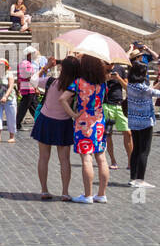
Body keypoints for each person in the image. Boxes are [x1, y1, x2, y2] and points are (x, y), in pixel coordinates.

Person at [63, 53, 110, 203]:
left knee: (86, 159)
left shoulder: (78, 82)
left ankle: (88, 195)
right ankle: (101, 194)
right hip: (99, 121)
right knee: (102, 158)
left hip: (84, 122)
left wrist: (73, 114)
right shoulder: (103, 82)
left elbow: (62, 99)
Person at [33, 55, 78, 201]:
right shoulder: (75, 86)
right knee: (64, 159)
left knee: (44, 157)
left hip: (46, 120)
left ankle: (44, 190)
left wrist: (46, 68)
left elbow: (32, 80)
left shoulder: (51, 81)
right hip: (63, 122)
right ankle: (65, 192)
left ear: (61, 68)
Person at [125, 59, 160, 189]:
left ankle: (133, 177)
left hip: (133, 121)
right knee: (144, 151)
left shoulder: (130, 86)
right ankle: (140, 179)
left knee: (136, 150)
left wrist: (158, 83)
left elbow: (149, 91)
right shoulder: (142, 88)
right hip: (145, 122)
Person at [0, 59, 17, 143]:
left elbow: (10, 87)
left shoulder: (9, 74)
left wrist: (5, 96)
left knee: (11, 117)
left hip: (9, 98)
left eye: (0, 65)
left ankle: (12, 136)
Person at [15, 46, 40, 131]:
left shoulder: (23, 63)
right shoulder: (26, 64)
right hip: (28, 88)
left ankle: (39, 122)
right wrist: (36, 86)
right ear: (29, 54)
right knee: (26, 106)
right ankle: (17, 123)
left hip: (27, 87)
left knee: (33, 106)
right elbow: (29, 76)